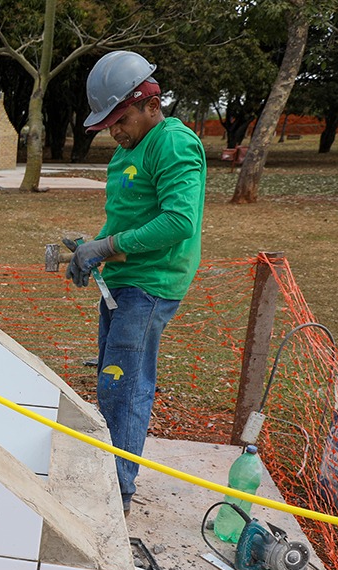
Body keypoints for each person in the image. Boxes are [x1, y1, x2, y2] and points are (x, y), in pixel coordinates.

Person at [66, 50, 207, 515]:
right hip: (123, 282)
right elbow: (127, 218)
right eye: (107, 124)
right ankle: (112, 477)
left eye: (119, 120)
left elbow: (178, 222)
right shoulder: (129, 150)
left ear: (150, 104)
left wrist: (106, 248)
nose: (114, 132)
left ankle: (118, 495)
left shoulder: (173, 143)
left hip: (151, 284)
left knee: (125, 387)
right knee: (111, 382)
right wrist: (92, 247)